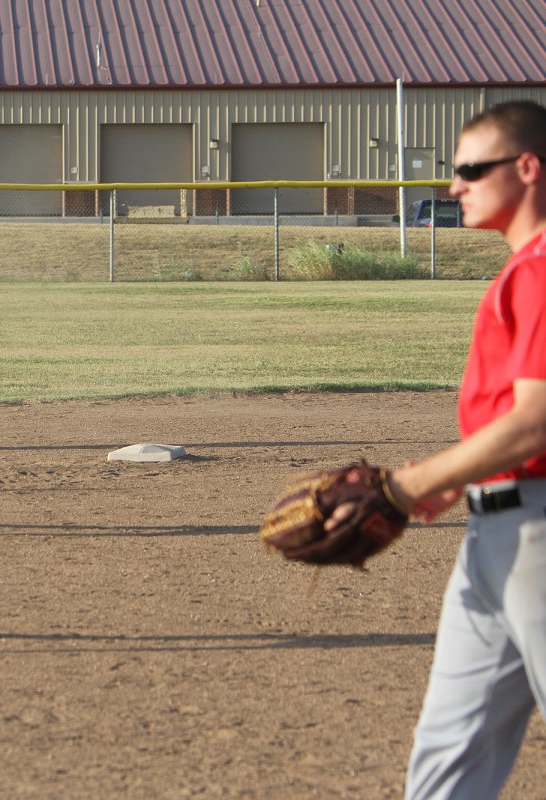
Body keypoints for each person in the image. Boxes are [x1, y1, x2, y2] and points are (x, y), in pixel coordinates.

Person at [330, 102, 546, 799]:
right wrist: (463, 477)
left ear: (528, 168)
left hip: (539, 533)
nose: (454, 188)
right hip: (494, 531)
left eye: (470, 171)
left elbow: (537, 424)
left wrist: (411, 482)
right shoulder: (523, 270)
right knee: (447, 758)